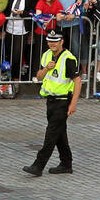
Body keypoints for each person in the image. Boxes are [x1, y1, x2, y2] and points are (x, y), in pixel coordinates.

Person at [22, 30, 80, 177]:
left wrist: (73, 104)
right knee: (60, 134)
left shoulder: (68, 59)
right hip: (50, 100)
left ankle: (38, 165)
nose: (52, 44)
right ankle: (66, 163)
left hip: (63, 101)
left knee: (51, 135)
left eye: (55, 41)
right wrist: (47, 68)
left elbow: (77, 81)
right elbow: (39, 76)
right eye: (49, 41)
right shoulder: (46, 55)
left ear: (62, 42)